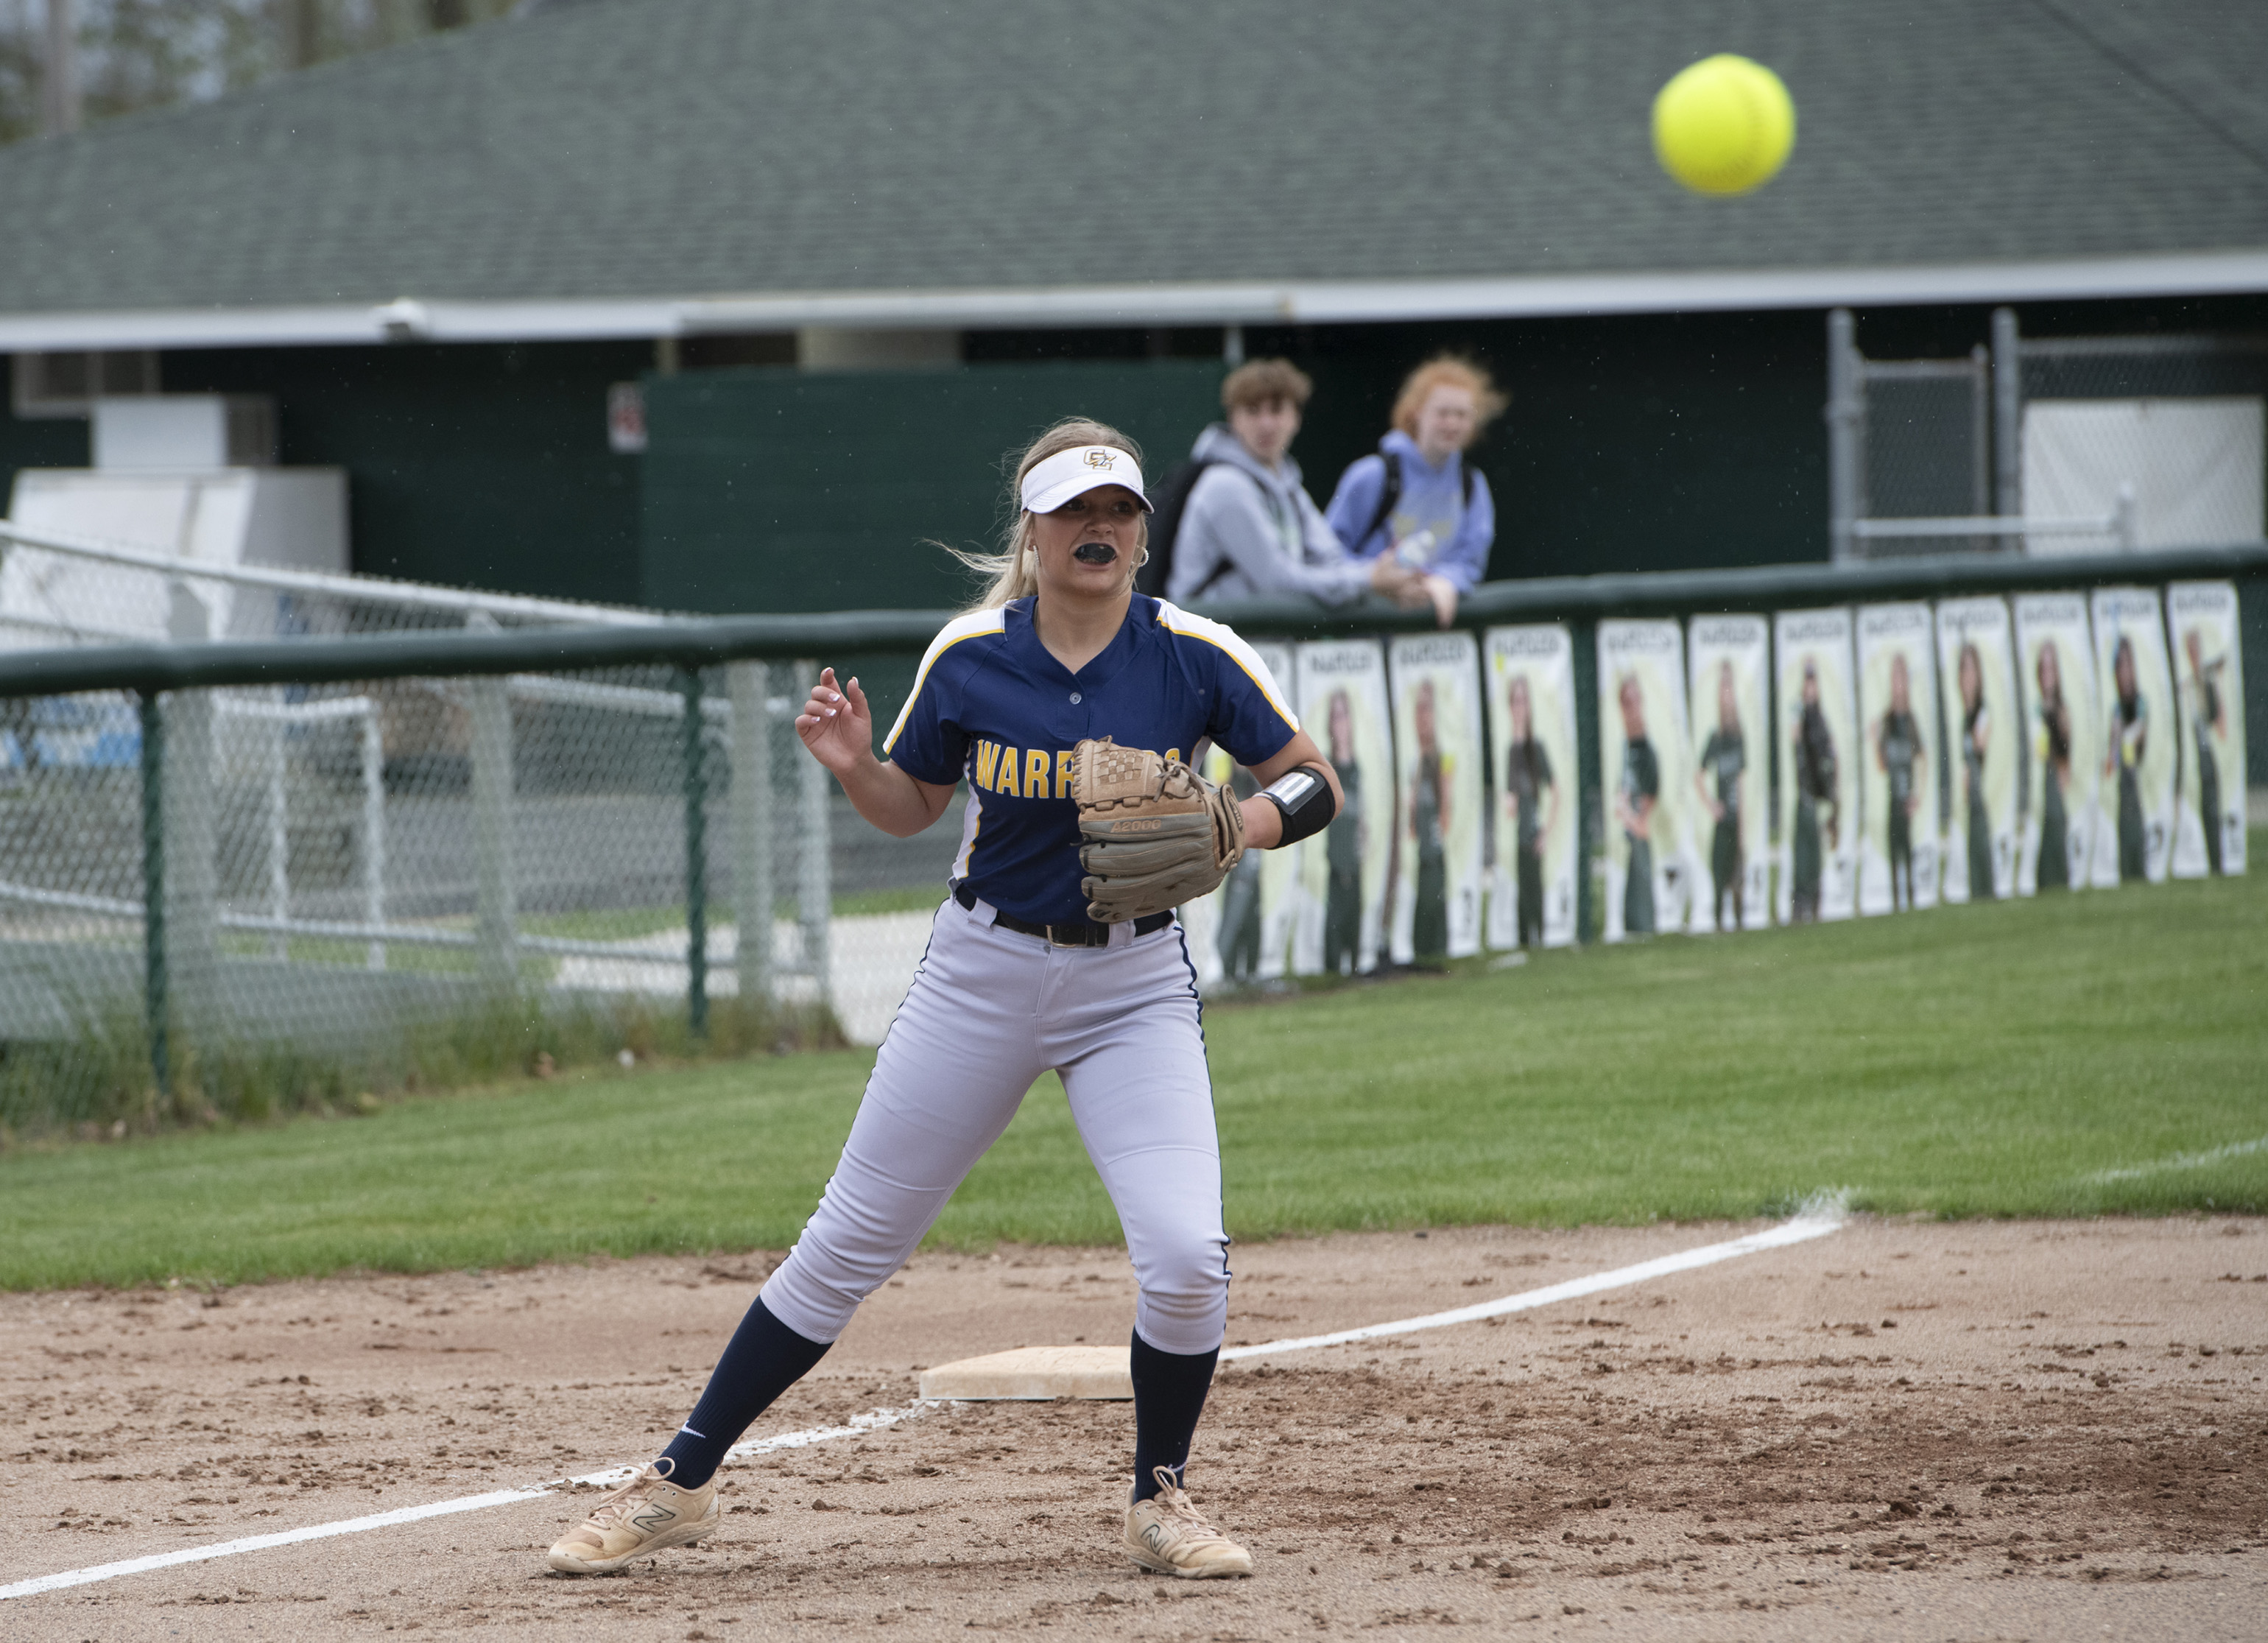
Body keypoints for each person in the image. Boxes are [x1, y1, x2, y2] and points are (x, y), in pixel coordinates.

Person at [542, 418, 1342, 1583]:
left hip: (1131, 982)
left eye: (1120, 510)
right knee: (847, 1242)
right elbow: (911, 808)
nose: (1101, 528)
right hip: (983, 973)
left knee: (1185, 1255)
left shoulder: (1194, 652)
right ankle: (679, 1479)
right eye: (1076, 511)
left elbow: (1317, 779)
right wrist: (860, 767)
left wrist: (1247, 818)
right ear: (1034, 528)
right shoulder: (971, 656)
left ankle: (1159, 1494)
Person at [1166, 359, 1424, 610]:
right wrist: (1370, 580)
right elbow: (1276, 582)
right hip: (1202, 644)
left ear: (1296, 418)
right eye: (1253, 411)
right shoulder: (1225, 485)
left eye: (1277, 410)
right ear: (1234, 419)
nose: (1266, 424)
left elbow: (1329, 558)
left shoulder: (1286, 483)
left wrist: (1388, 576)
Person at [1326, 355, 1507, 629]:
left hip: (1429, 642)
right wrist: (1377, 579)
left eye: (1462, 415)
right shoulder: (1371, 475)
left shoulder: (1473, 484)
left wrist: (1443, 582)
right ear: (1416, 412)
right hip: (1366, 631)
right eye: (1443, 413)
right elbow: (1328, 554)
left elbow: (1470, 561)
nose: (1452, 424)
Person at [1501, 673, 1557, 947]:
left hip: (1533, 832)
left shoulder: (1537, 748)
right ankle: (1526, 942)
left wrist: (1546, 831)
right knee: (1523, 894)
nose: (1519, 707)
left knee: (1536, 893)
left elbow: (1556, 790)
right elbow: (1510, 803)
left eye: (1523, 701)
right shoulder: (1511, 751)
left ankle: (1542, 940)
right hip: (1519, 836)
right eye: (1515, 701)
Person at [1694, 661, 1745, 931]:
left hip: (1737, 818)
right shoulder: (1716, 738)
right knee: (1718, 872)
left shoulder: (1739, 737)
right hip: (1723, 818)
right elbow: (1698, 775)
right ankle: (1718, 922)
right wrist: (1712, 805)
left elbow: (1741, 783)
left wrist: (1743, 827)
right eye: (1722, 689)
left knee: (1737, 875)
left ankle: (1738, 922)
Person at [1873, 653, 1923, 912]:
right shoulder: (1888, 722)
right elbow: (1882, 766)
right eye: (1894, 678)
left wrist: (1918, 795)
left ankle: (1912, 900)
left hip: (1907, 798)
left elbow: (1921, 759)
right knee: (1894, 852)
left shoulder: (1910, 721)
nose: (1898, 684)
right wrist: (1874, 741)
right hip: (1893, 798)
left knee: (1908, 851)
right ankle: (1896, 904)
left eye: (1901, 677)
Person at [1321, 689, 1367, 974]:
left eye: (1344, 715)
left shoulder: (1358, 770)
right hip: (1335, 868)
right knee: (1334, 931)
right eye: (1336, 716)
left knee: (1355, 929)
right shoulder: (1326, 767)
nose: (1341, 723)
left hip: (1356, 863)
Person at [1407, 678, 1452, 965]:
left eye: (1428, 711)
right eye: (1419, 711)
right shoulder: (1416, 762)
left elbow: (1447, 805)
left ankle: (1435, 952)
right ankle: (1422, 952)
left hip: (1434, 849)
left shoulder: (1443, 759)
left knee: (1433, 899)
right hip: (1421, 849)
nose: (1423, 718)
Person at [1790, 660, 1838, 923]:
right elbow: (1794, 738)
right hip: (1804, 794)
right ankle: (1802, 904)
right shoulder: (1800, 715)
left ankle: (1813, 902)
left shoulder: (1821, 720)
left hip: (1817, 796)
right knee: (1804, 855)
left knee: (1814, 855)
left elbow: (1830, 755)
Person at [1613, 674, 1658, 935]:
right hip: (1629, 829)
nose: (1631, 708)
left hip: (1639, 828)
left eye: (1634, 701)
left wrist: (1640, 818)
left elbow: (1652, 789)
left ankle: (1644, 928)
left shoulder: (1644, 748)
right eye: (1625, 702)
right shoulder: (1624, 747)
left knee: (1642, 884)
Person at [2181, 626, 2229, 876]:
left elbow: (2221, 726)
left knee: (2211, 806)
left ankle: (2217, 861)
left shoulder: (2206, 682)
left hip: (2207, 753)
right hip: (2192, 757)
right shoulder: (2185, 685)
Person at [2105, 635, 2149, 883]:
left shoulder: (2140, 703)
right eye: (2119, 666)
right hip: (2124, 783)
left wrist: (2124, 735)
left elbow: (2139, 731)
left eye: (2126, 665)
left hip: (2140, 780)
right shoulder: (2117, 708)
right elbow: (2114, 751)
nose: (2124, 672)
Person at [2032, 641, 2074, 891]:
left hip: (2056, 780)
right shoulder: (2036, 707)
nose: (2048, 674)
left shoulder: (2061, 709)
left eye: (2051, 668)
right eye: (2043, 668)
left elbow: (2066, 751)